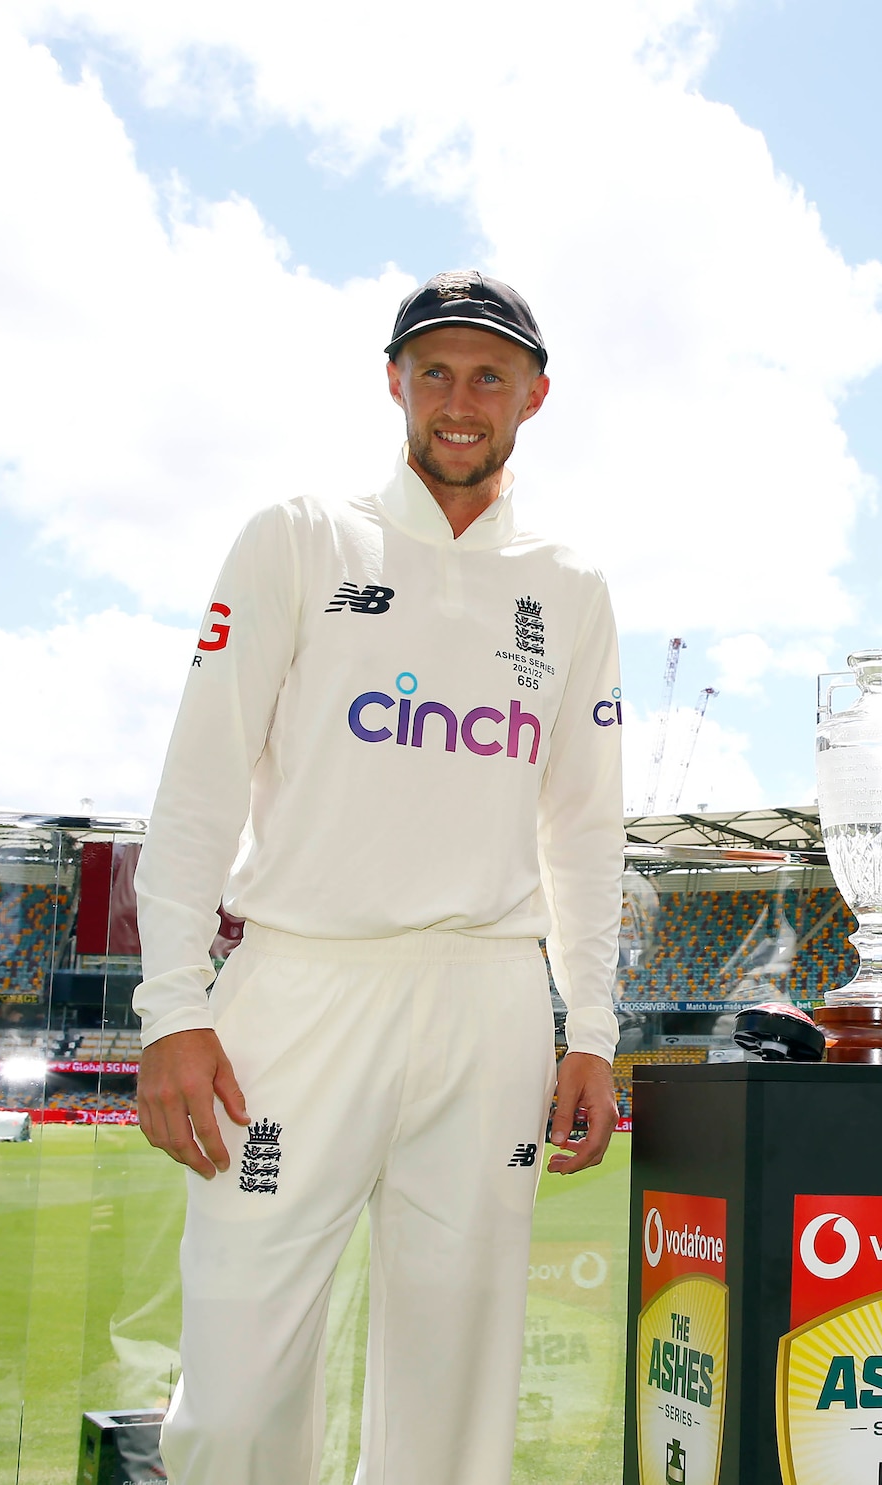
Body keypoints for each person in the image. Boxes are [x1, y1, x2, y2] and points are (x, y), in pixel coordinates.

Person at [131, 270, 626, 1484]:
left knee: (455, 1411)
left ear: (534, 395)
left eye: (490, 374)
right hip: (304, 990)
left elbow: (583, 826)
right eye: (438, 370)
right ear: (394, 380)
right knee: (237, 1399)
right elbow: (197, 786)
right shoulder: (299, 537)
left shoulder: (570, 585)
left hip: (490, 1003)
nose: (461, 399)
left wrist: (592, 1029)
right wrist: (173, 1007)